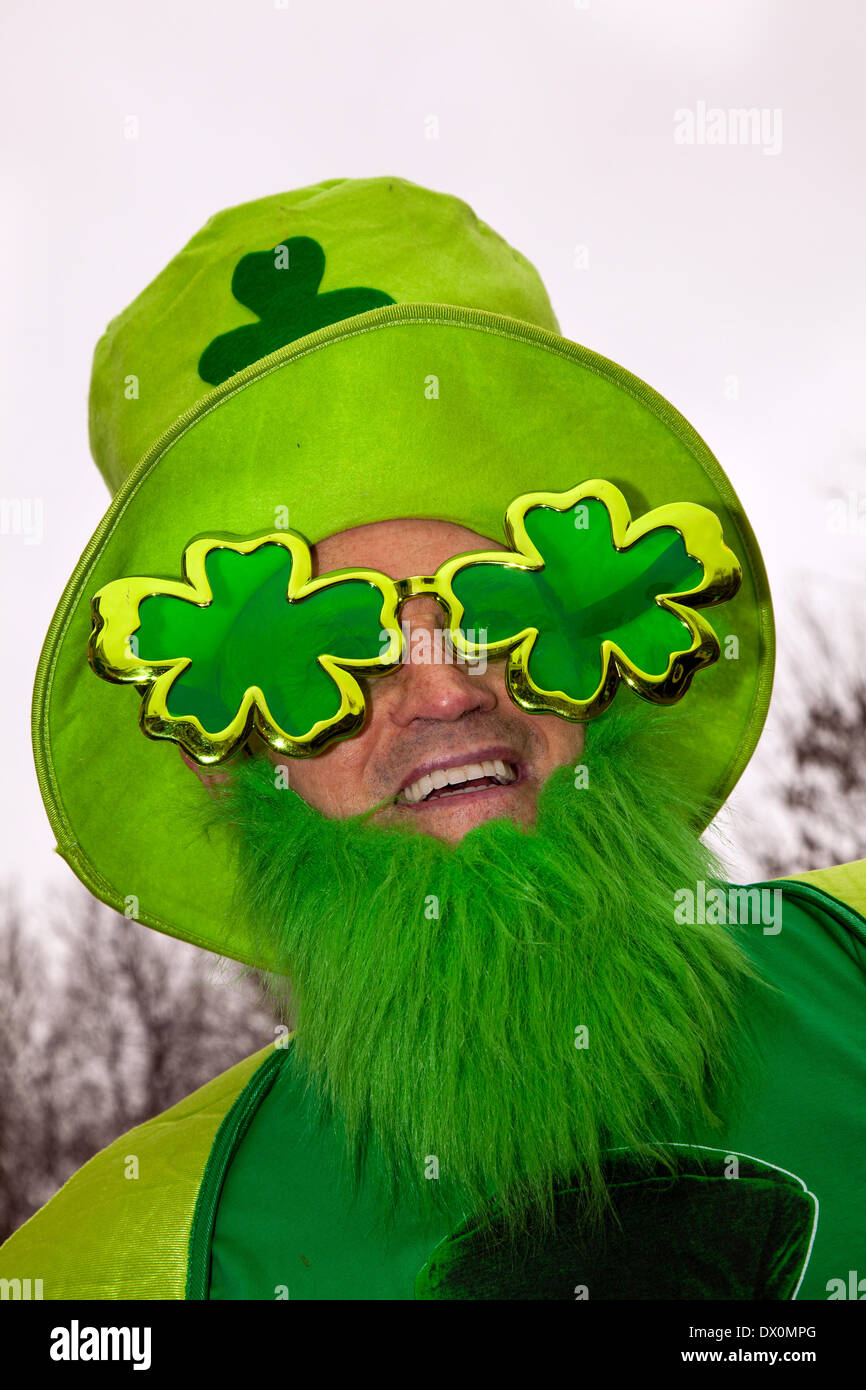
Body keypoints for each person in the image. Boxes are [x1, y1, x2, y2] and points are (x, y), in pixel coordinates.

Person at [2, 176, 864, 1301]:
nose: (447, 691)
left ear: (609, 660)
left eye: (498, 604)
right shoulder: (114, 1275)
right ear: (220, 764)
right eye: (322, 645)